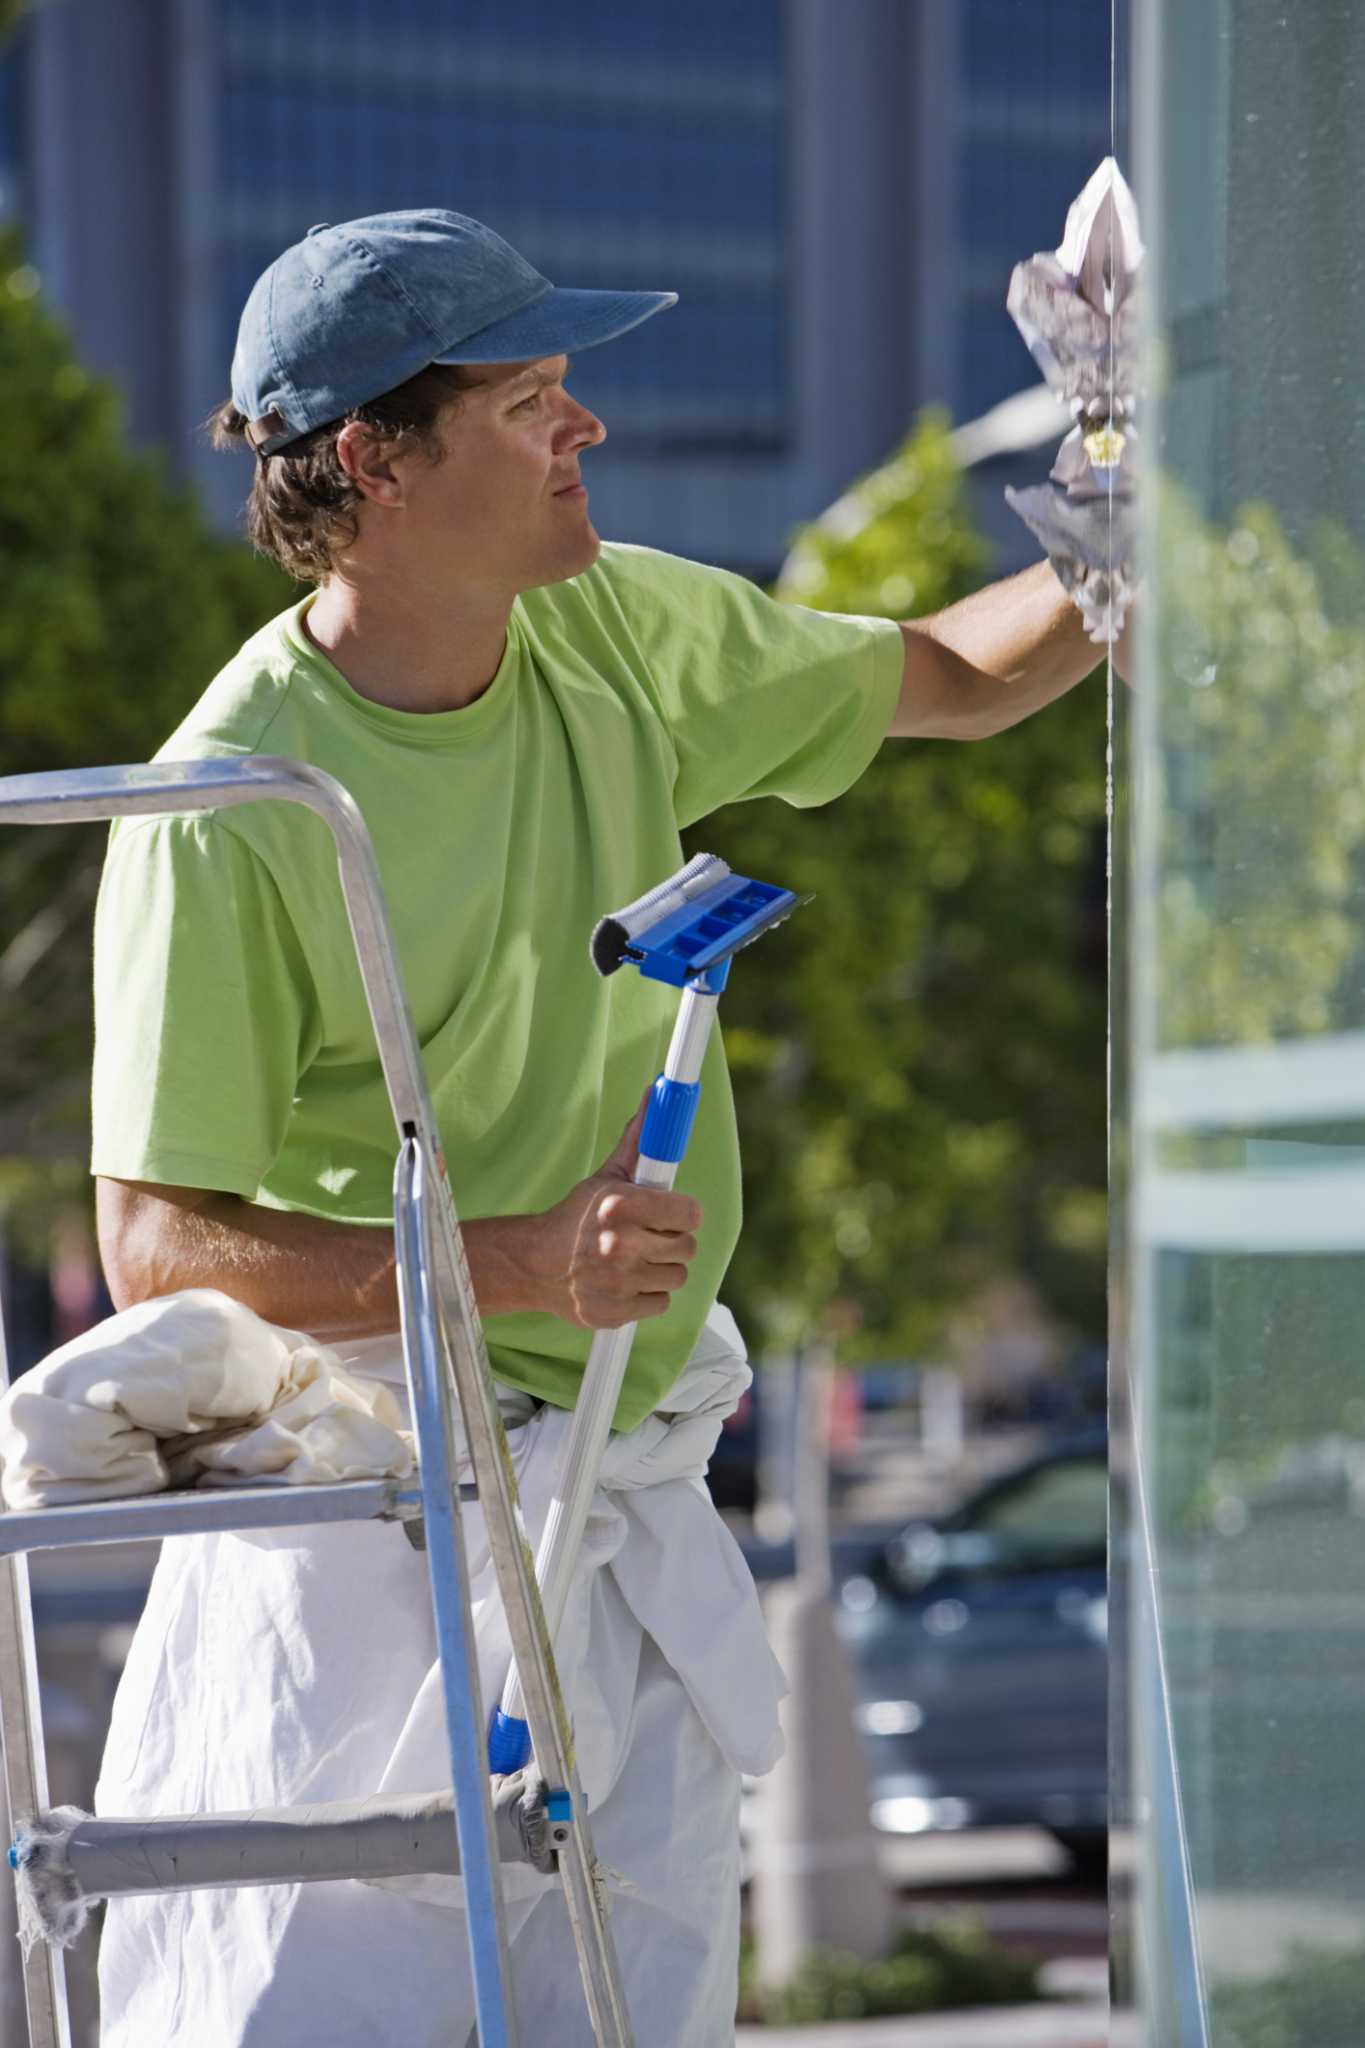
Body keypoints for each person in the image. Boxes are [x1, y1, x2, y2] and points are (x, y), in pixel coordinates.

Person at [88, 210, 1109, 2046]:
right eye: (533, 400)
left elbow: (962, 680)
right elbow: (153, 1240)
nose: (590, 433)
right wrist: (515, 1260)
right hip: (368, 1536)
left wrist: (1131, 503)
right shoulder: (230, 805)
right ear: (372, 464)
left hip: (613, 1492)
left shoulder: (614, 629)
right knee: (335, 2015)